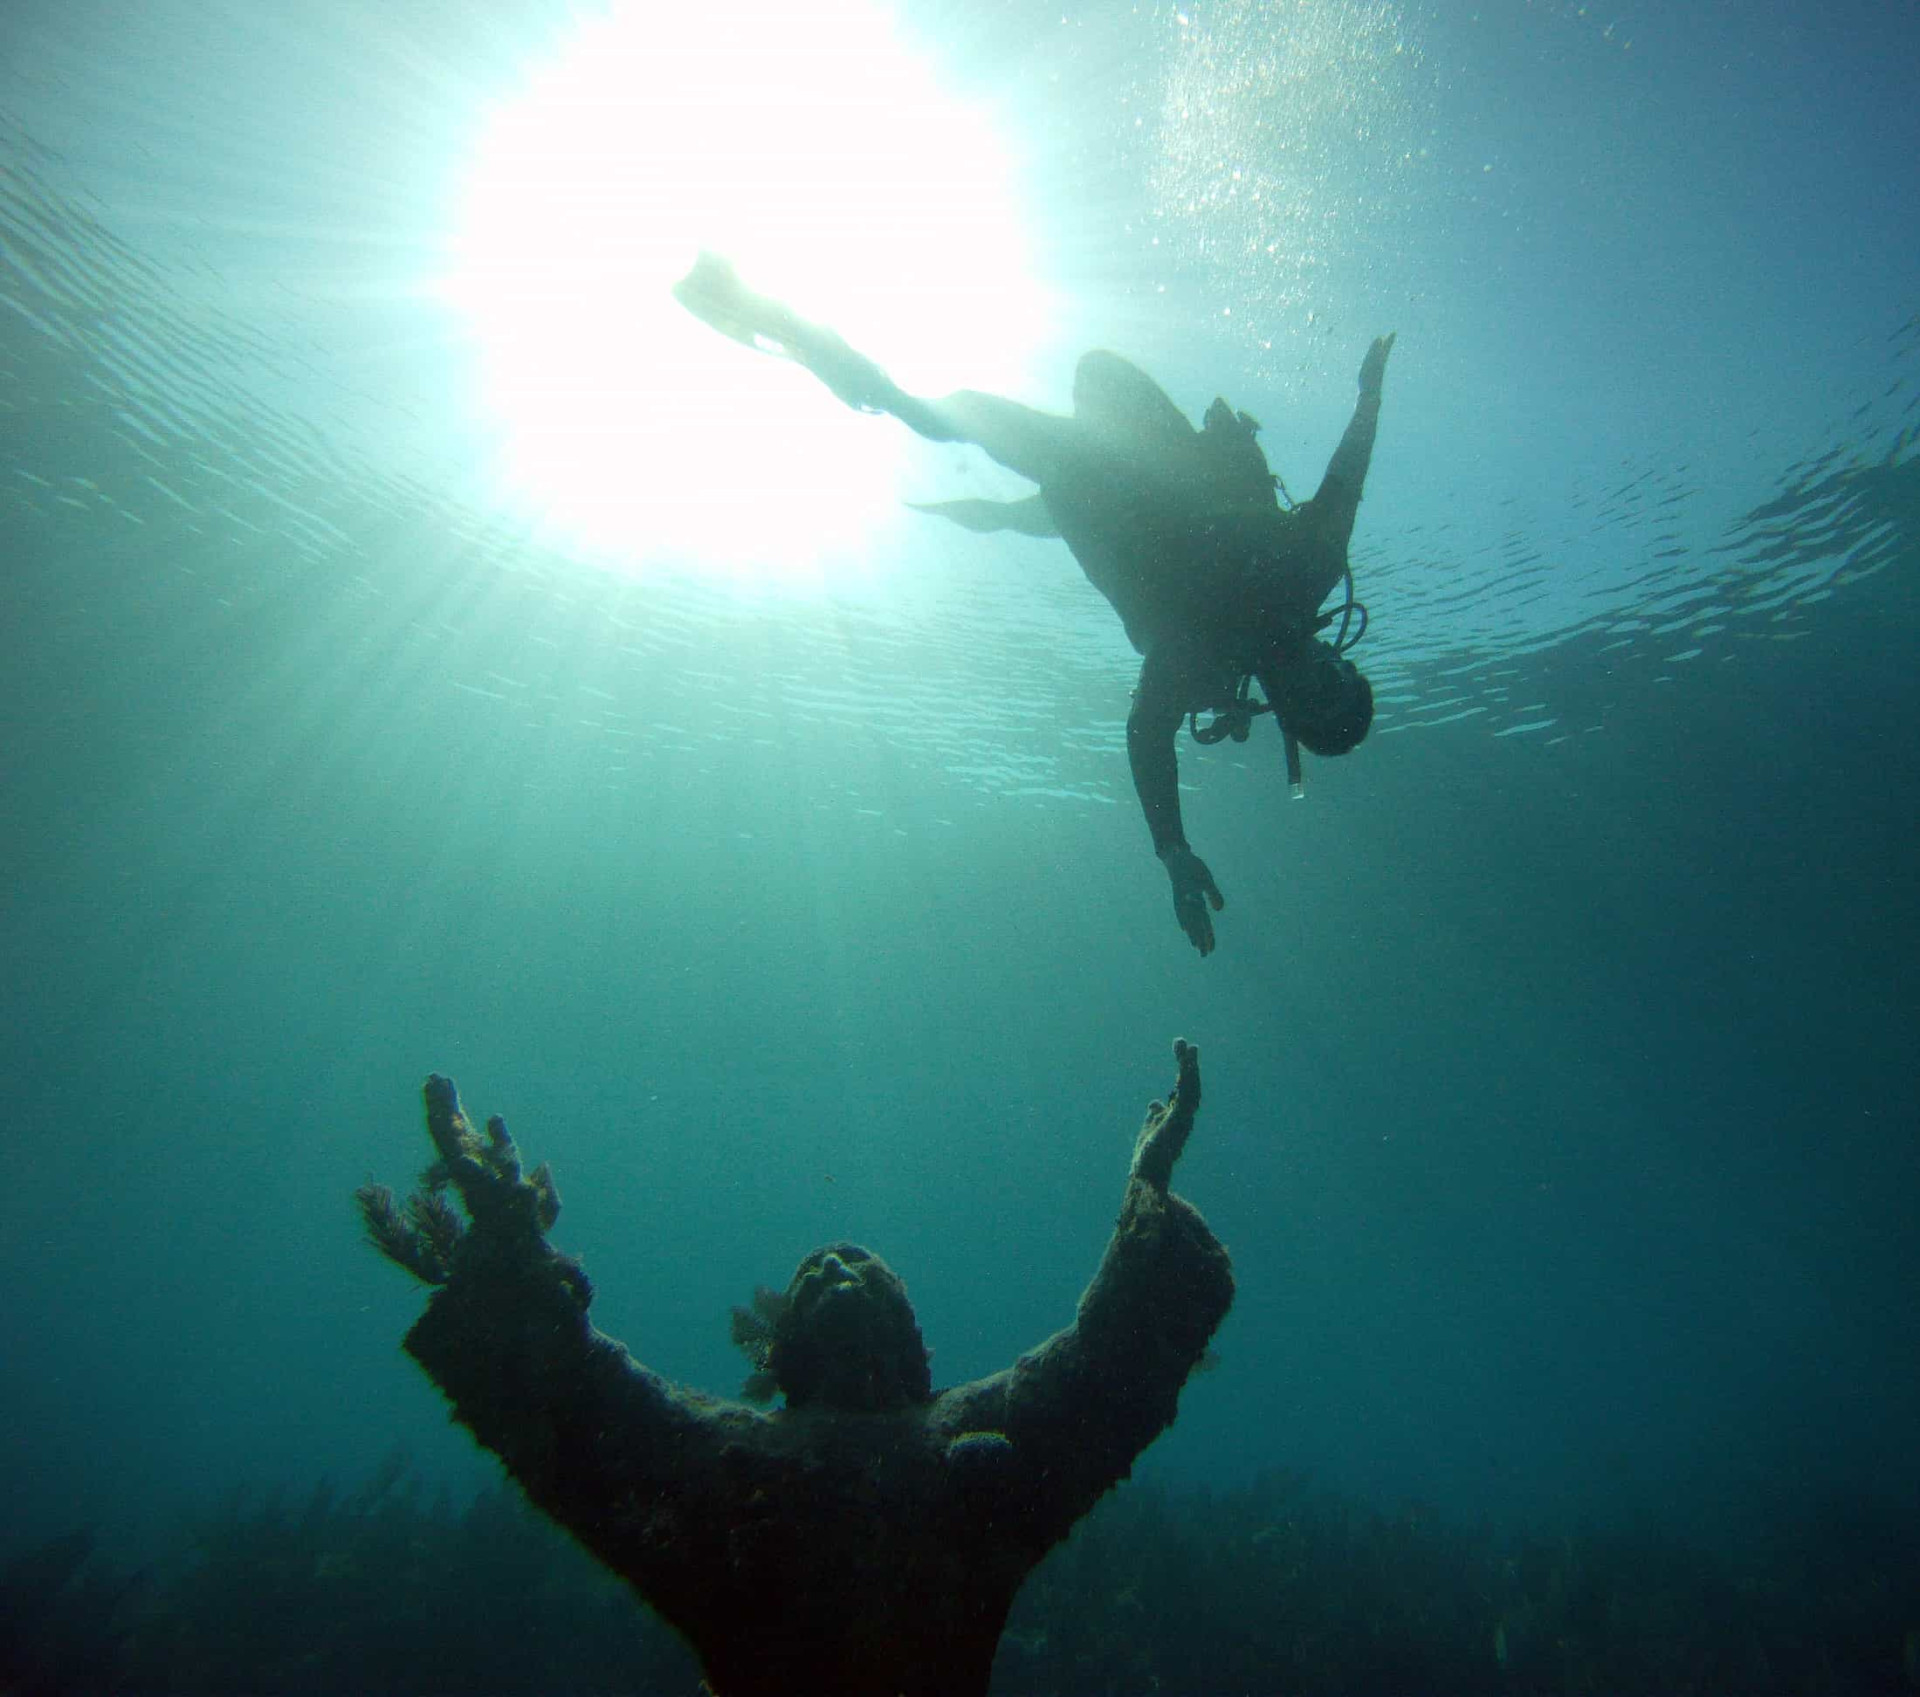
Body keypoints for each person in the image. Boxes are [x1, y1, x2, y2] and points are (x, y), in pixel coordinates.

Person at [357, 1038, 1233, 1697]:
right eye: (818, 1270)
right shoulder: (723, 1452)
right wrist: (510, 1257)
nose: (838, 1270)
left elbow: (1105, 1357)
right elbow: (581, 1399)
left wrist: (1147, 1181)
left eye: (858, 1265)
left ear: (905, 1327)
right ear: (787, 1349)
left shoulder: (972, 1430)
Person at [675, 254, 1395, 955]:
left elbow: (1147, 733)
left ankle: (784, 325)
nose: (1319, 673)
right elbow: (1347, 476)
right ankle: (1013, 510)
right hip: (1128, 455)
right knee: (1005, 420)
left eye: (1318, 698)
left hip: (1085, 477)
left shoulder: (1206, 664)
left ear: (1291, 717)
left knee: (943, 414)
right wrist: (1369, 395)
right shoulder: (1308, 570)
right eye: (1339, 675)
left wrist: (1172, 851)